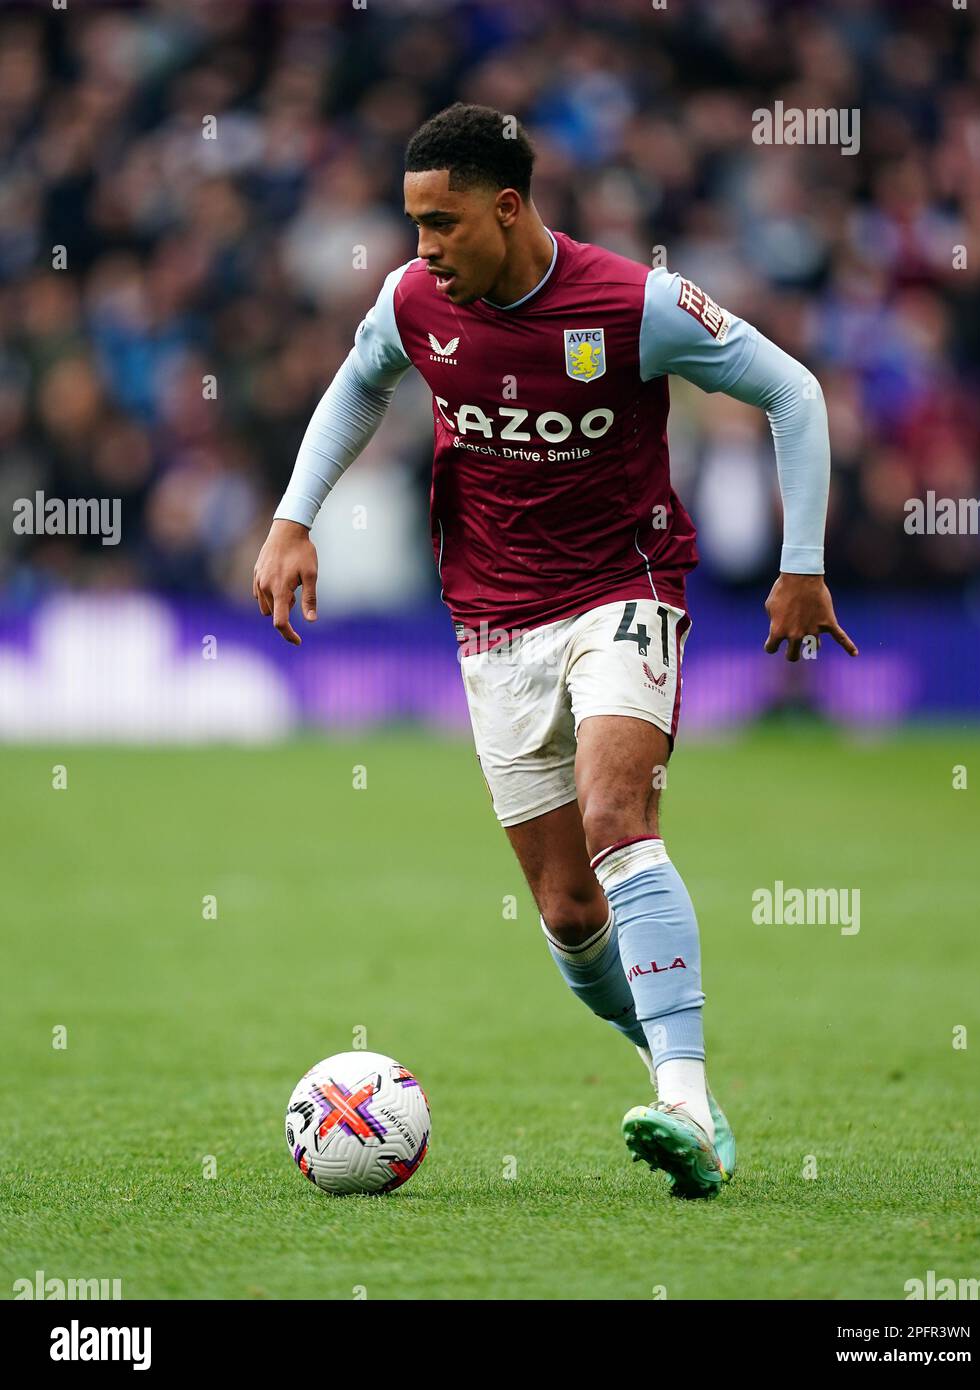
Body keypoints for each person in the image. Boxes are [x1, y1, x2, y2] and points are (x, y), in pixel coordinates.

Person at [253, 103, 857, 1199]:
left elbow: (792, 391)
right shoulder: (413, 302)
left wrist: (801, 563)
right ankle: (682, 1086)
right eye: (412, 225)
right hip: (491, 622)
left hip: (623, 589)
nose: (422, 248)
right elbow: (356, 382)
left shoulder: (636, 305)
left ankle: (681, 1096)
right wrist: (294, 518)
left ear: (508, 207)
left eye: (440, 224)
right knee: (573, 919)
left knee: (620, 814)